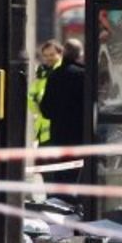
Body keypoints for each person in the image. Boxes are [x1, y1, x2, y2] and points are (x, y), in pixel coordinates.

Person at [40, 39, 86, 183]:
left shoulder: (54, 75)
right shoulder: (84, 75)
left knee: (61, 172)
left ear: (63, 53)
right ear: (80, 55)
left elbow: (45, 109)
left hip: (59, 133)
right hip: (80, 134)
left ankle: (61, 200)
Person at [28, 40, 63, 146]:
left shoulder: (62, 71)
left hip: (58, 129)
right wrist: (38, 111)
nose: (48, 58)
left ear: (60, 54)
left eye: (52, 55)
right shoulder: (43, 72)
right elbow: (32, 96)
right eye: (45, 55)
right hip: (43, 129)